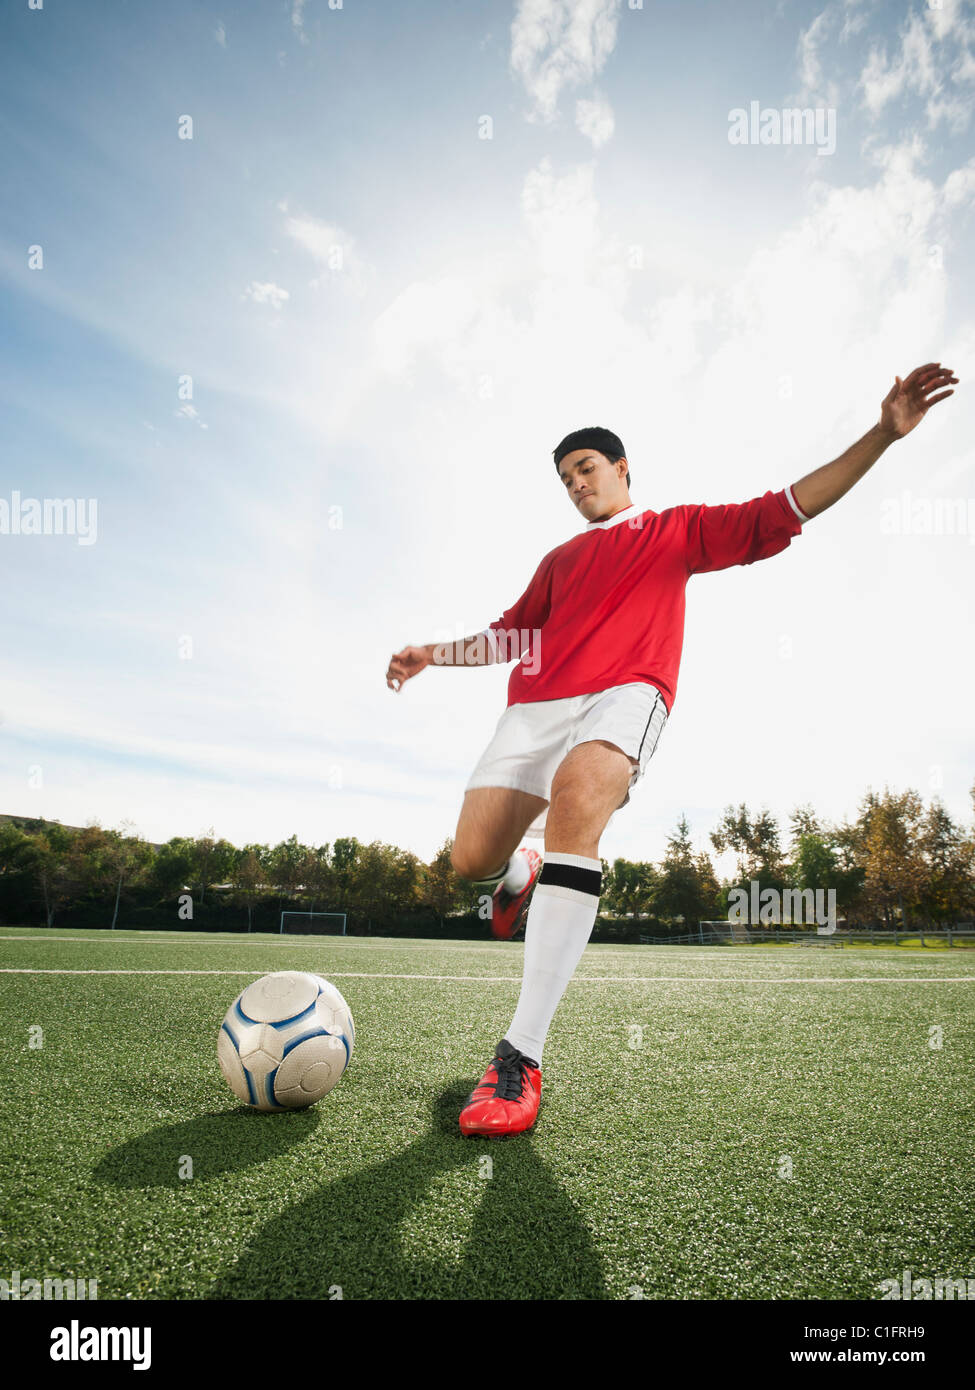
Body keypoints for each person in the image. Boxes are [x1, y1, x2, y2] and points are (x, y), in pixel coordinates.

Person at [385, 362, 958, 1138]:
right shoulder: (557, 561)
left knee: (580, 800)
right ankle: (516, 872)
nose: (575, 484)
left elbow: (786, 506)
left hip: (626, 691)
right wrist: (431, 652)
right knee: (470, 859)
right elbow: (508, 634)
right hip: (534, 706)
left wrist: (882, 436)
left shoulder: (675, 530)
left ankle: (519, 1054)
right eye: (564, 478)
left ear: (622, 469)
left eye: (585, 468)